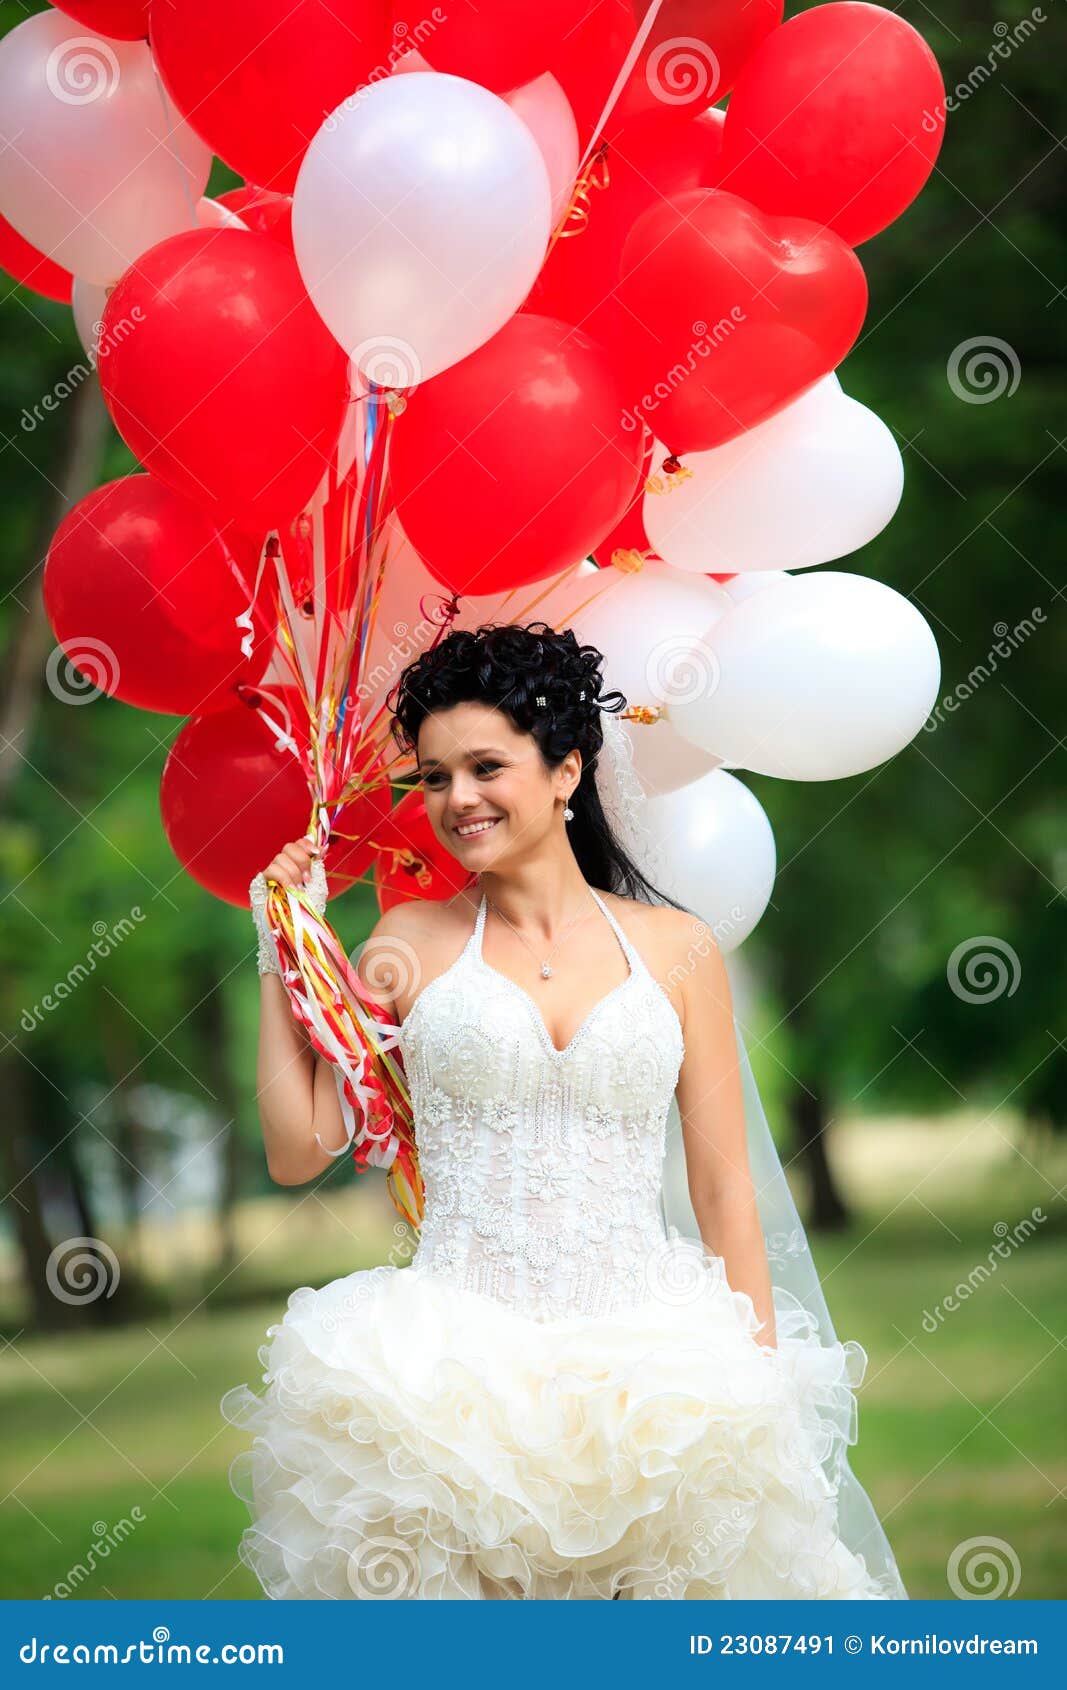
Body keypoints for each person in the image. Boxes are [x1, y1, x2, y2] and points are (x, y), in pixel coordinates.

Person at [223, 621, 907, 1600]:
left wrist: (759, 1385)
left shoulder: (676, 950)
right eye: (432, 776)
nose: (456, 798)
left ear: (566, 771)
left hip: (654, 1374)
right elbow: (300, 1148)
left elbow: (723, 1192)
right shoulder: (409, 941)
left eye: (485, 767)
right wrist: (277, 946)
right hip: (450, 1383)